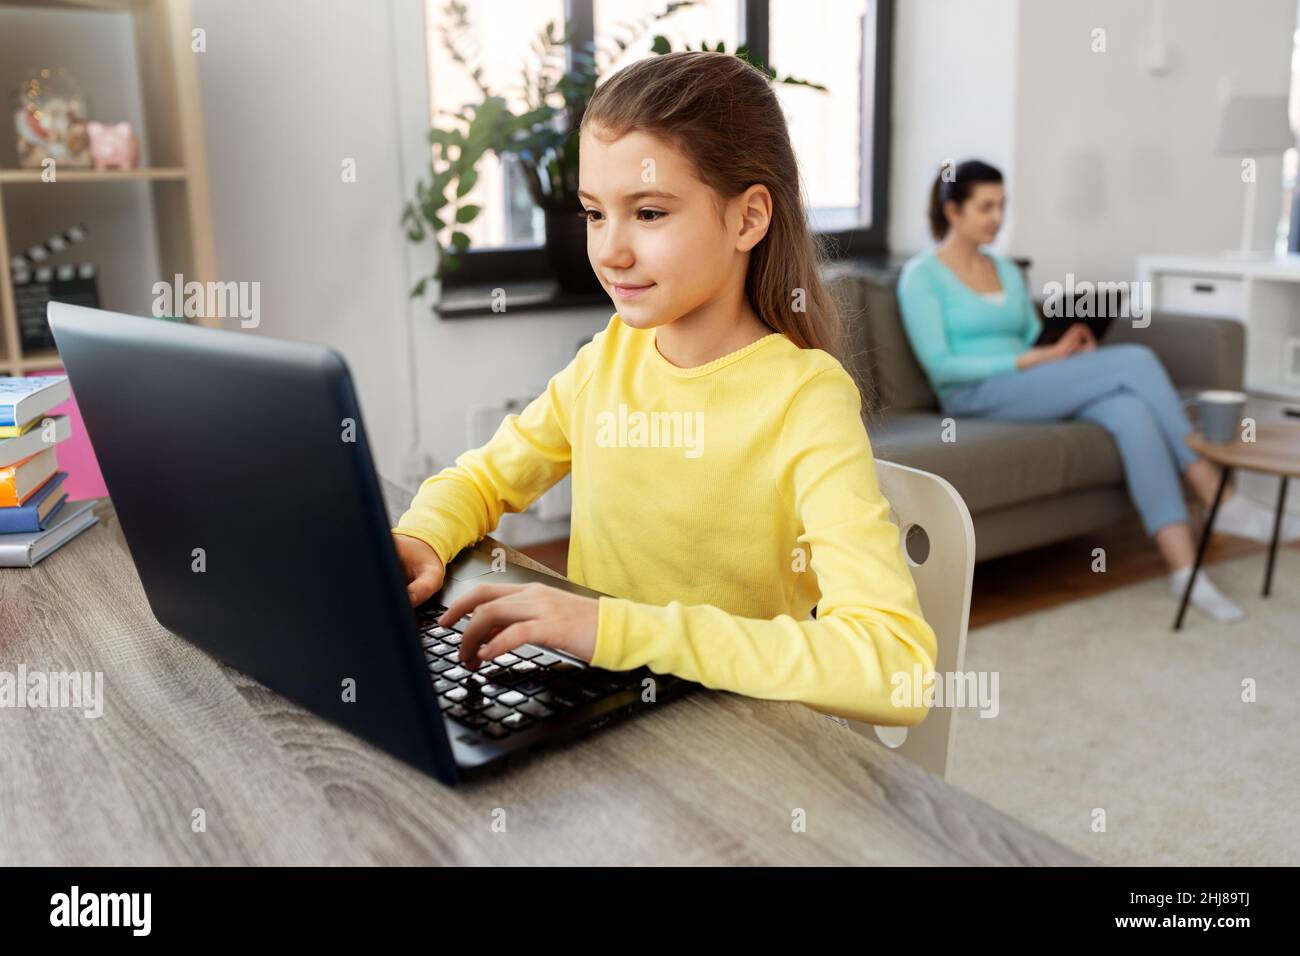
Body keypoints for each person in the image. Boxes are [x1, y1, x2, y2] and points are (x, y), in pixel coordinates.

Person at [389, 52, 937, 725]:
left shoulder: (804, 399)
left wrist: (613, 628)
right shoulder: (609, 360)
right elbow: (483, 480)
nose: (611, 251)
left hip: (725, 740)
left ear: (747, 219)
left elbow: (894, 668)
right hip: (599, 717)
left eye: (648, 213)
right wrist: (422, 536)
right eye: (595, 214)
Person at [897, 159, 1289, 623]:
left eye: (1002, 205)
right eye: (985, 207)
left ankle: (1186, 569)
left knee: (1128, 409)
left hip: (1029, 381)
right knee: (1135, 361)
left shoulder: (1004, 270)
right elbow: (941, 364)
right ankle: (1216, 492)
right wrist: (1035, 360)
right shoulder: (921, 277)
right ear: (953, 211)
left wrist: (1062, 351)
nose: (997, 217)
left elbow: (1028, 335)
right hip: (972, 394)